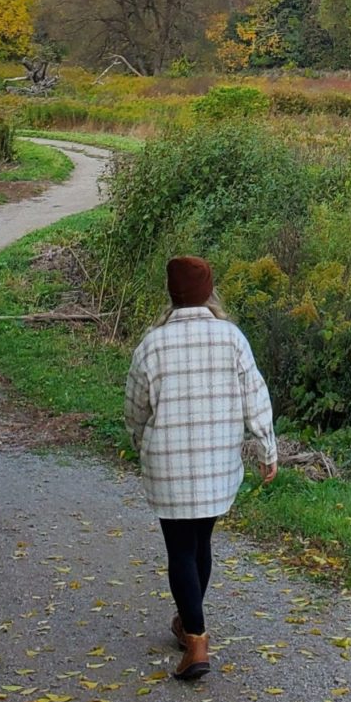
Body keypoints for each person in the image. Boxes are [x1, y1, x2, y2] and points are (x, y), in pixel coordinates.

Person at [124, 255, 278, 680]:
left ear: (171, 296)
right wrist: (268, 447)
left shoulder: (151, 345)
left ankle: (195, 640)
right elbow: (255, 394)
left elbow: (135, 409)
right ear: (209, 292)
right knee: (200, 544)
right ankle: (189, 626)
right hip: (215, 463)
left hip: (168, 464)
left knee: (180, 550)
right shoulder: (231, 338)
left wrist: (141, 444)